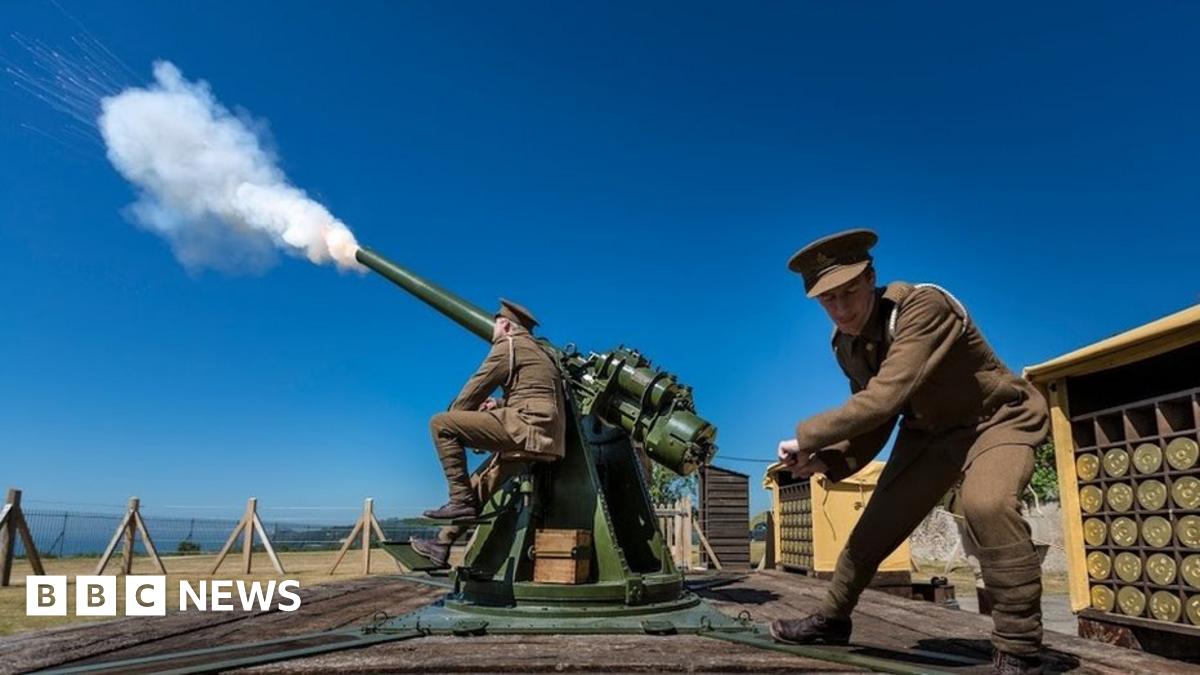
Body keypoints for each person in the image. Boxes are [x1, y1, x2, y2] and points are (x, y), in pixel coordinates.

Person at [771, 229, 1049, 675]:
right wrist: (826, 459)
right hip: (930, 434)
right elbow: (875, 419)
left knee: (987, 504)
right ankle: (832, 620)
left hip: (994, 419)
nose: (841, 309)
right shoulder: (846, 345)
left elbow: (884, 397)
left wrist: (806, 435)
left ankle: (1018, 649)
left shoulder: (922, 307)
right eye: (829, 300)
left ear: (871, 278)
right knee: (873, 528)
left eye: (849, 292)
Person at [410, 299, 566, 568]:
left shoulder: (508, 345)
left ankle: (457, 500)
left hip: (526, 427)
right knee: (481, 482)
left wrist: (462, 421)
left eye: (496, 325)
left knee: (440, 424)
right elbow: (539, 395)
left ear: (505, 324)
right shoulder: (543, 354)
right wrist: (500, 405)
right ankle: (442, 544)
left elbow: (473, 390)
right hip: (547, 438)